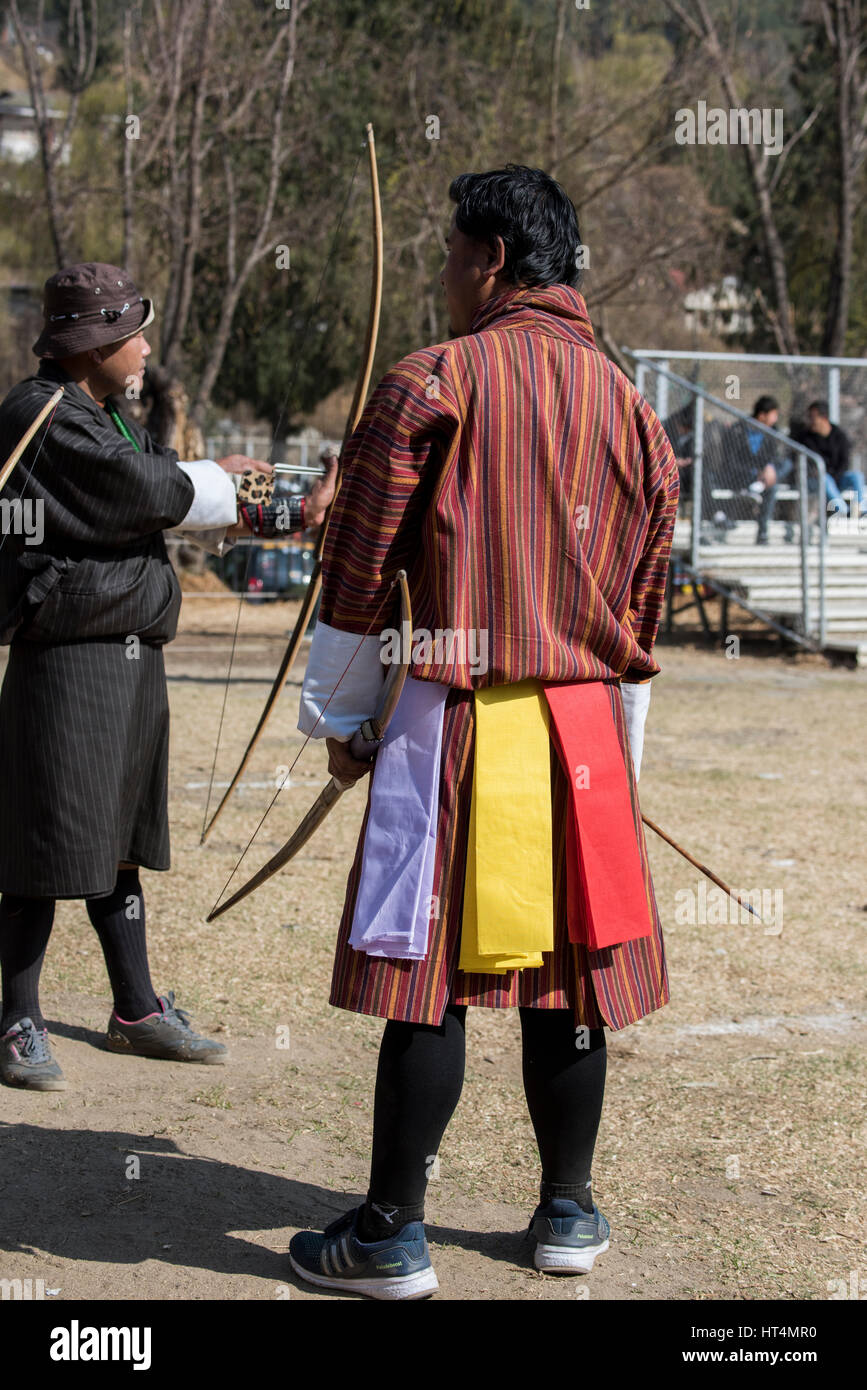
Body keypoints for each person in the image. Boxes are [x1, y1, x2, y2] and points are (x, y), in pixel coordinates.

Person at [287, 165, 678, 1299]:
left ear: (492, 261)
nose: (446, 276)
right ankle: (567, 1212)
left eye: (453, 256)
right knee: (569, 980)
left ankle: (391, 1234)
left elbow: (361, 570)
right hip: (585, 734)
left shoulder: (433, 381)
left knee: (431, 978)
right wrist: (623, 756)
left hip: (452, 716)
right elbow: (641, 615)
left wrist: (344, 717)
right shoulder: (634, 407)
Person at [0, 262, 335, 1092]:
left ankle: (136, 1010)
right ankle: (14, 1019)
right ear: (94, 345)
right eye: (131, 335)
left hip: (128, 655)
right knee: (44, 845)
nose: (145, 349)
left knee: (119, 844)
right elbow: (153, 490)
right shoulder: (44, 417)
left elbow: (167, 491)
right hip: (68, 662)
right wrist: (256, 494)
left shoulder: (104, 413)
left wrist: (278, 498)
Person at [725, 395, 793, 544]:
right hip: (742, 475)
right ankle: (756, 487)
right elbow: (732, 461)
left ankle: (762, 531)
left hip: (763, 476)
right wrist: (757, 472)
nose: (775, 420)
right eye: (773, 415)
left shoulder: (772, 432)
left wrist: (768, 467)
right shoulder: (738, 430)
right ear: (762, 415)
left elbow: (774, 456)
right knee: (771, 485)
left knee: (785, 466)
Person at [793, 400, 866, 518]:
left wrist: (835, 477)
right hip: (817, 480)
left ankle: (860, 509)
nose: (810, 421)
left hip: (837, 477)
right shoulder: (806, 437)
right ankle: (845, 512)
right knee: (825, 479)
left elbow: (844, 462)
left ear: (824, 418)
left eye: (813, 417)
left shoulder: (839, 435)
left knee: (857, 476)